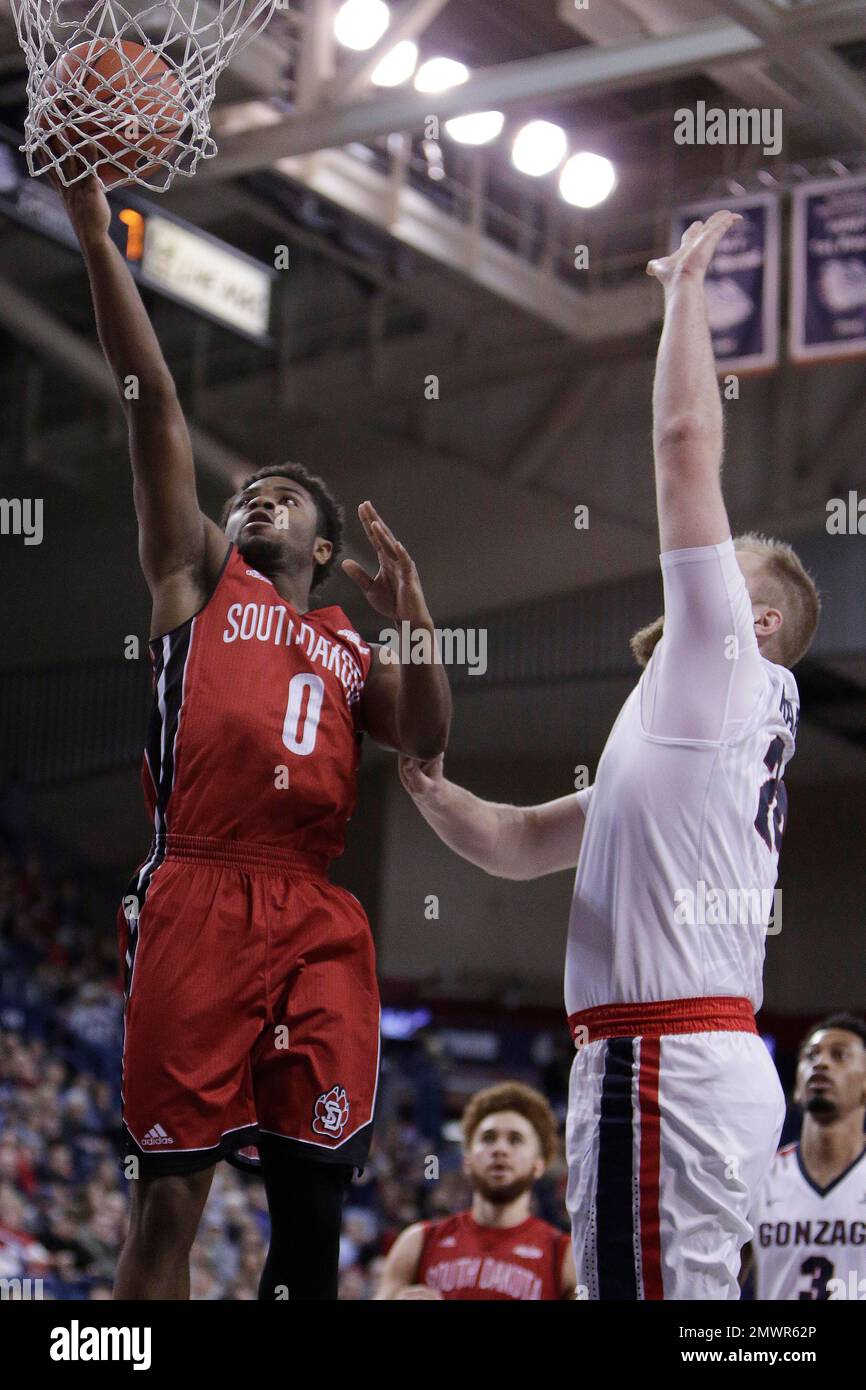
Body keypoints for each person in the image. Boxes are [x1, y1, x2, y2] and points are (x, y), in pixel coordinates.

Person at [399, 211, 822, 1299]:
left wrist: (683, 290)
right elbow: (523, 840)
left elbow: (684, 447)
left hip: (659, 1062)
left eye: (723, 574)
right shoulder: (681, 732)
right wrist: (428, 787)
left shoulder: (720, 662)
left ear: (755, 619)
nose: (692, 576)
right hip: (697, 1056)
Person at [54, 166, 452, 1300]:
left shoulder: (346, 643)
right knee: (170, 1194)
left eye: (283, 498)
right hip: (198, 889)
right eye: (247, 495)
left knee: (313, 1193)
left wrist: (416, 621)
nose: (255, 502)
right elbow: (153, 402)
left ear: (326, 546)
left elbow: (422, 739)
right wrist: (95, 233)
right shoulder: (193, 579)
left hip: (314, 907)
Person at [375, 1082, 575, 1299]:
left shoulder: (564, 1255)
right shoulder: (419, 1241)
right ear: (467, 1160)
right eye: (488, 1138)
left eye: (515, 1140)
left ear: (539, 1164)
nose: (500, 1149)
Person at [745, 1015, 866, 1301]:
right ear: (797, 1086)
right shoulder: (759, 1177)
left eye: (839, 1055)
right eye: (811, 1056)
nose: (821, 1063)